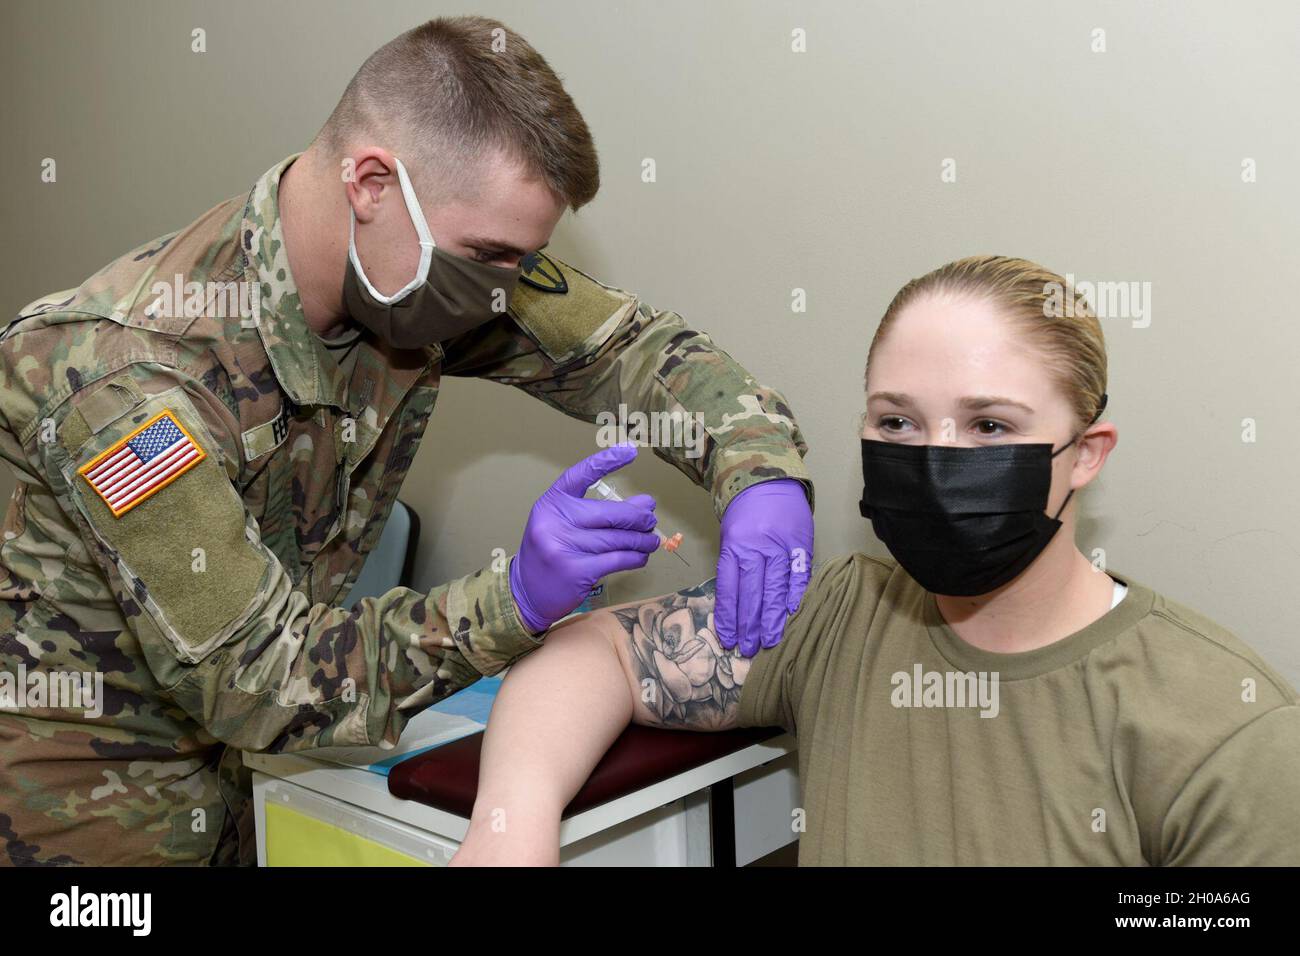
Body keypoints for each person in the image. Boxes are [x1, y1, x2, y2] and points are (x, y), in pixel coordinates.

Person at [0, 16, 814, 866]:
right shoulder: (127, 379)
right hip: (88, 824)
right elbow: (257, 679)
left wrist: (761, 475)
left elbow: (631, 350)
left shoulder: (415, 274)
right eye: (490, 256)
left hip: (255, 783)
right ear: (373, 185)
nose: (508, 287)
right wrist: (516, 601)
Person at [450, 255, 1300, 866]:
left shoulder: (1223, 728)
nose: (934, 458)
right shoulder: (837, 618)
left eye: (990, 427)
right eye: (896, 422)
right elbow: (592, 655)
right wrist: (511, 828)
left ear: (1086, 453)